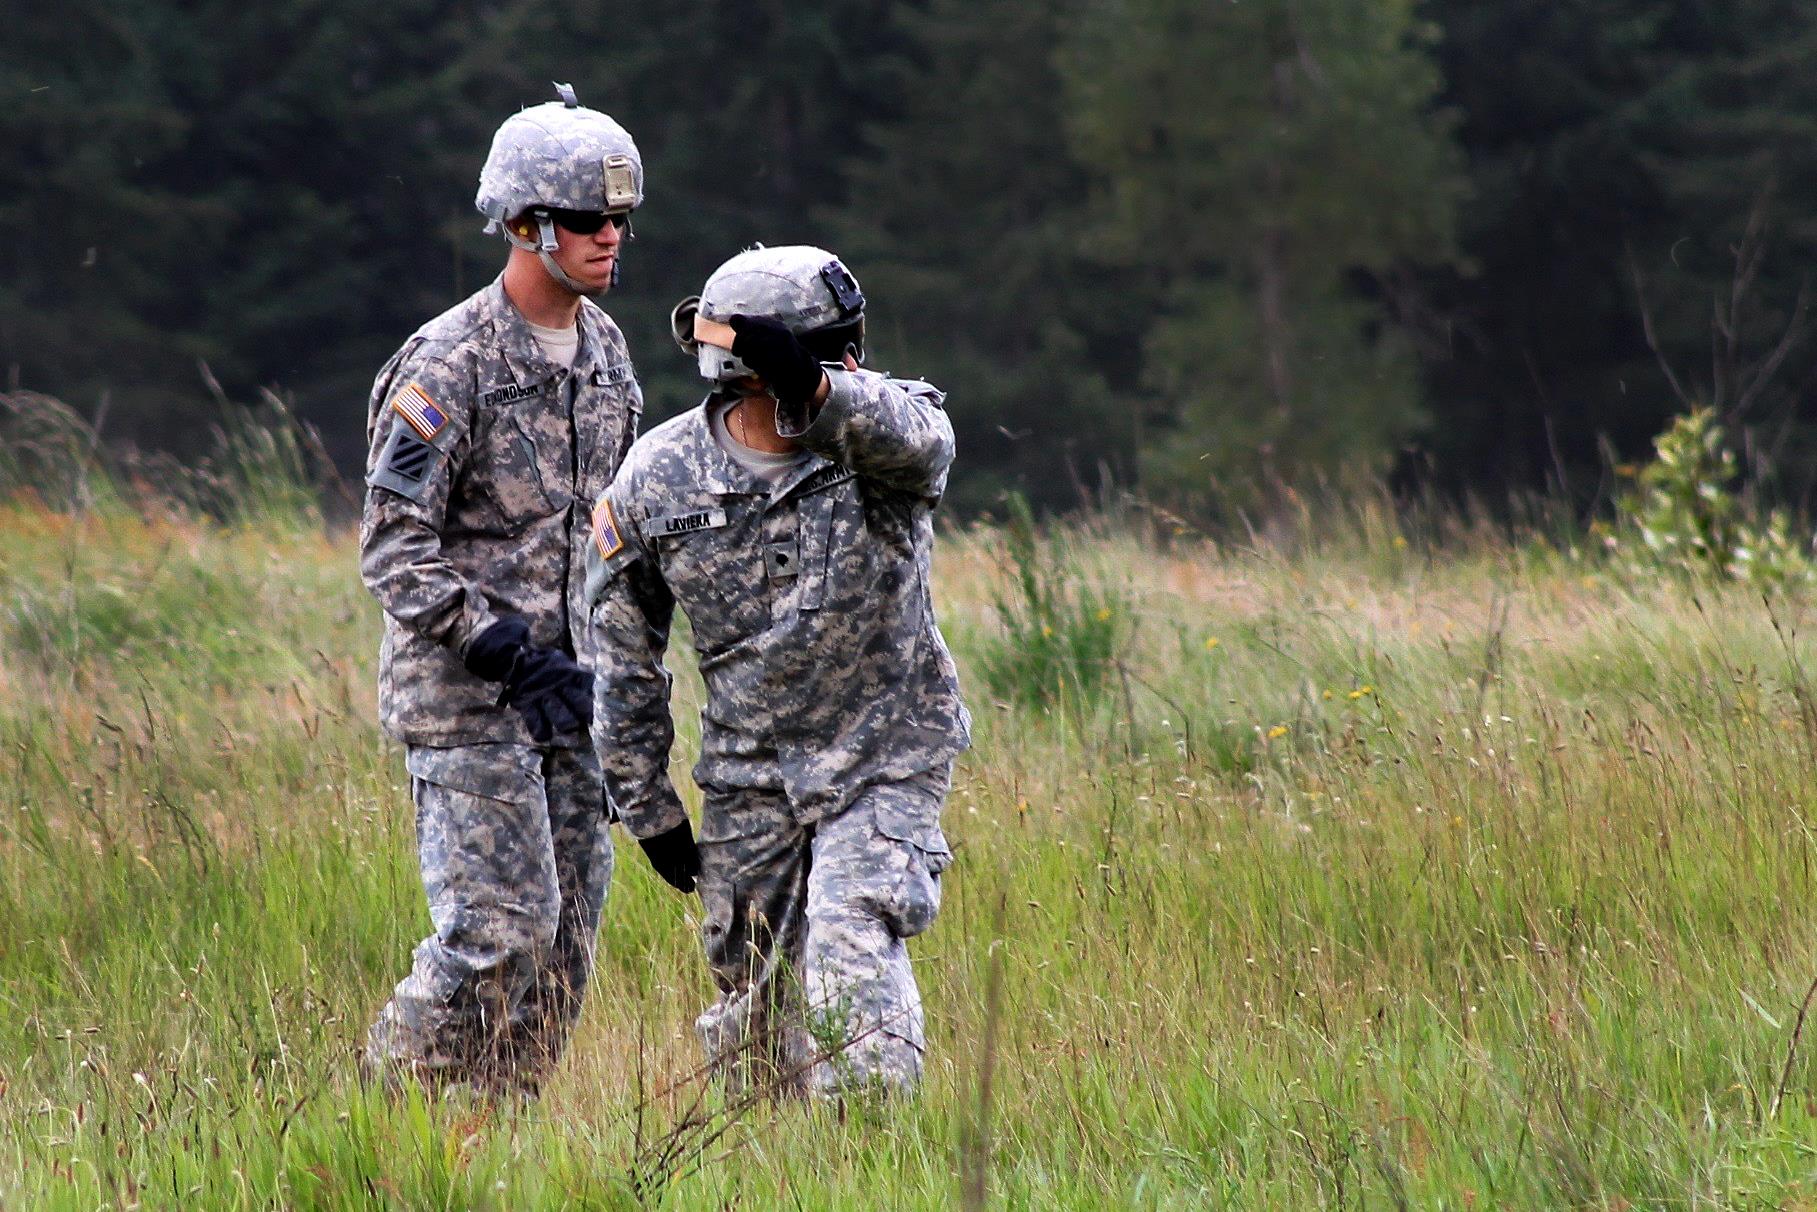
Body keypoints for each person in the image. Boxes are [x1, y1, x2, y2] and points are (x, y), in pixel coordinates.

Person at [583, 245, 971, 1095]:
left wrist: (821, 388)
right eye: (834, 347)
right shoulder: (658, 477)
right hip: (749, 781)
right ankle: (784, 1169)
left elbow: (925, 443)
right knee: (755, 1023)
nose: (855, 361)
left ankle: (874, 1151)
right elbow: (619, 655)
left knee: (849, 945)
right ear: (746, 369)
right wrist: (646, 808)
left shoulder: (881, 434)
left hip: (886, 761)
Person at [358, 83, 645, 1097]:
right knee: (497, 936)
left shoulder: (608, 357)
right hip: (470, 705)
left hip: (572, 709)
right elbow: (392, 546)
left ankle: (491, 1146)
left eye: (619, 218)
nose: (609, 235)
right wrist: (500, 650)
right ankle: (384, 1117)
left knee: (561, 954)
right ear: (525, 226)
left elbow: (609, 532)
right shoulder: (450, 364)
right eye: (586, 220)